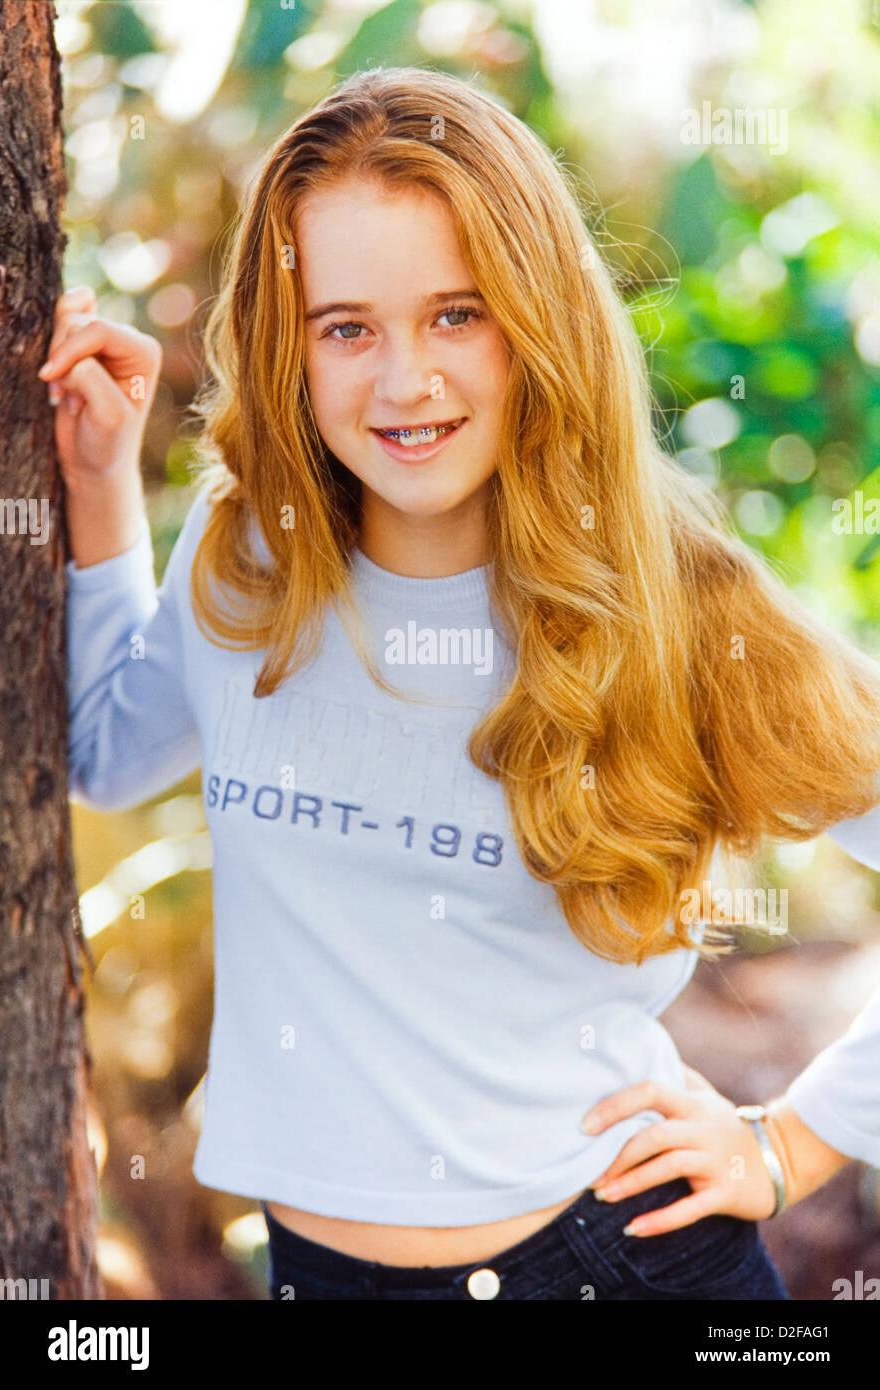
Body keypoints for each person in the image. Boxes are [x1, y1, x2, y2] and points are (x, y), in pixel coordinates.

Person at [45, 66, 880, 1301]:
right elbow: (112, 751)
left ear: (535, 315)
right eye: (347, 327)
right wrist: (104, 489)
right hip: (318, 1274)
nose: (403, 381)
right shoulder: (253, 546)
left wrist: (791, 1141)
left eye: (456, 314)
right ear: (292, 343)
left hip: (614, 1262)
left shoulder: (677, 596)